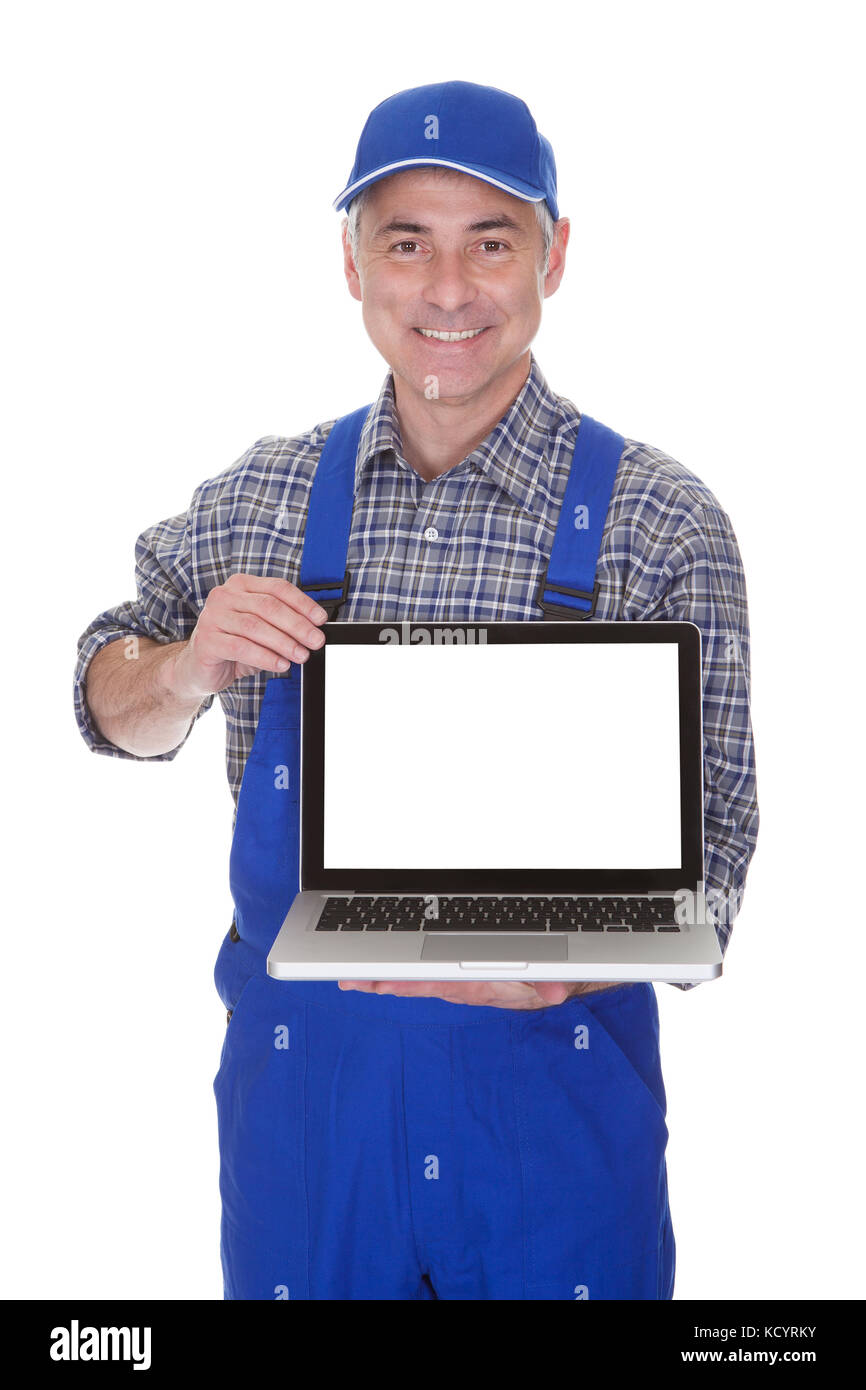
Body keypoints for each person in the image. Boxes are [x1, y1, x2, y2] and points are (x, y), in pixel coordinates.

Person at [73, 80, 759, 1300]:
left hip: (551, 1119)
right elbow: (103, 696)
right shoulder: (263, 498)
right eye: (405, 244)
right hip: (308, 1130)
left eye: (489, 242)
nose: (447, 290)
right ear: (350, 265)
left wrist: (550, 970)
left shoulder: (657, 524)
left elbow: (716, 866)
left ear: (554, 255)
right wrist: (181, 666)